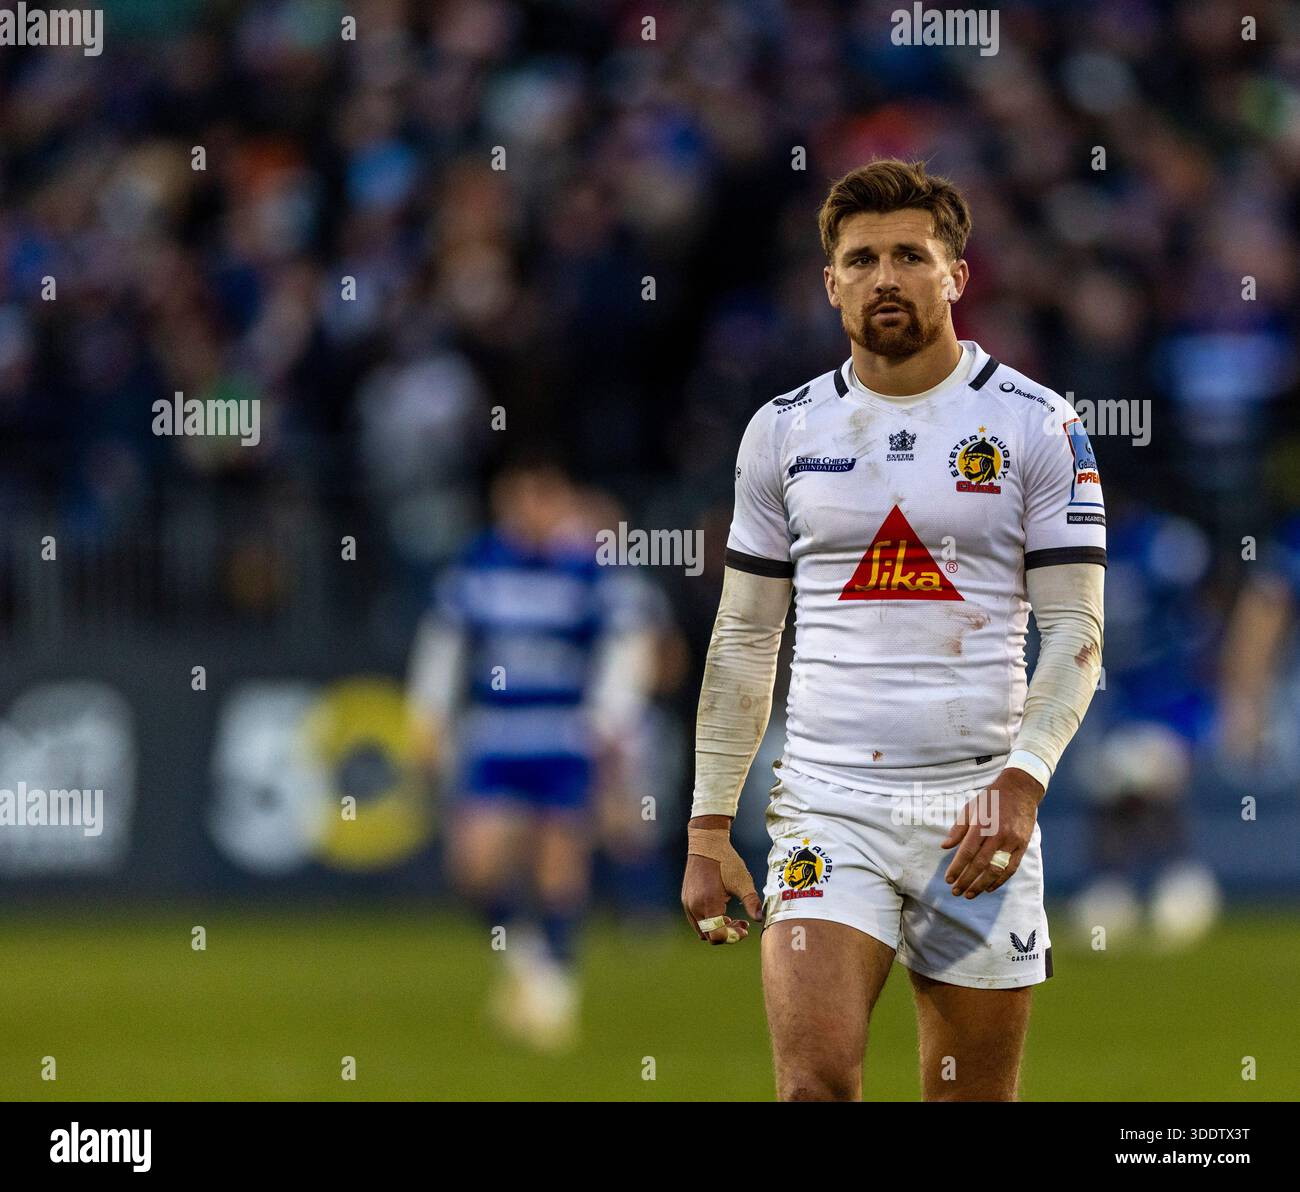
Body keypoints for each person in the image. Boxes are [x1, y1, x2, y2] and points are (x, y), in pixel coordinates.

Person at [681, 158, 1106, 1101]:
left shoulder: (1039, 424)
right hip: (828, 806)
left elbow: (1077, 629)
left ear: (957, 273)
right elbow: (746, 638)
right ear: (829, 282)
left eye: (910, 255)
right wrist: (710, 825)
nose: (886, 277)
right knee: (812, 1089)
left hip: (977, 812)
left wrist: (1023, 784)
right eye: (861, 258)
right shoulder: (783, 432)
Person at [408, 453, 653, 1050]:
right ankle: (529, 958)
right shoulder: (480, 566)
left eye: (543, 497)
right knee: (474, 868)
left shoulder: (588, 571)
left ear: (561, 501)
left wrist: (611, 723)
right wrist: (429, 717)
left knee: (558, 865)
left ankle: (556, 992)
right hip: (497, 732)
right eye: (520, 498)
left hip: (565, 734)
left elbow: (628, 646)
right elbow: (443, 643)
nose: (532, 510)